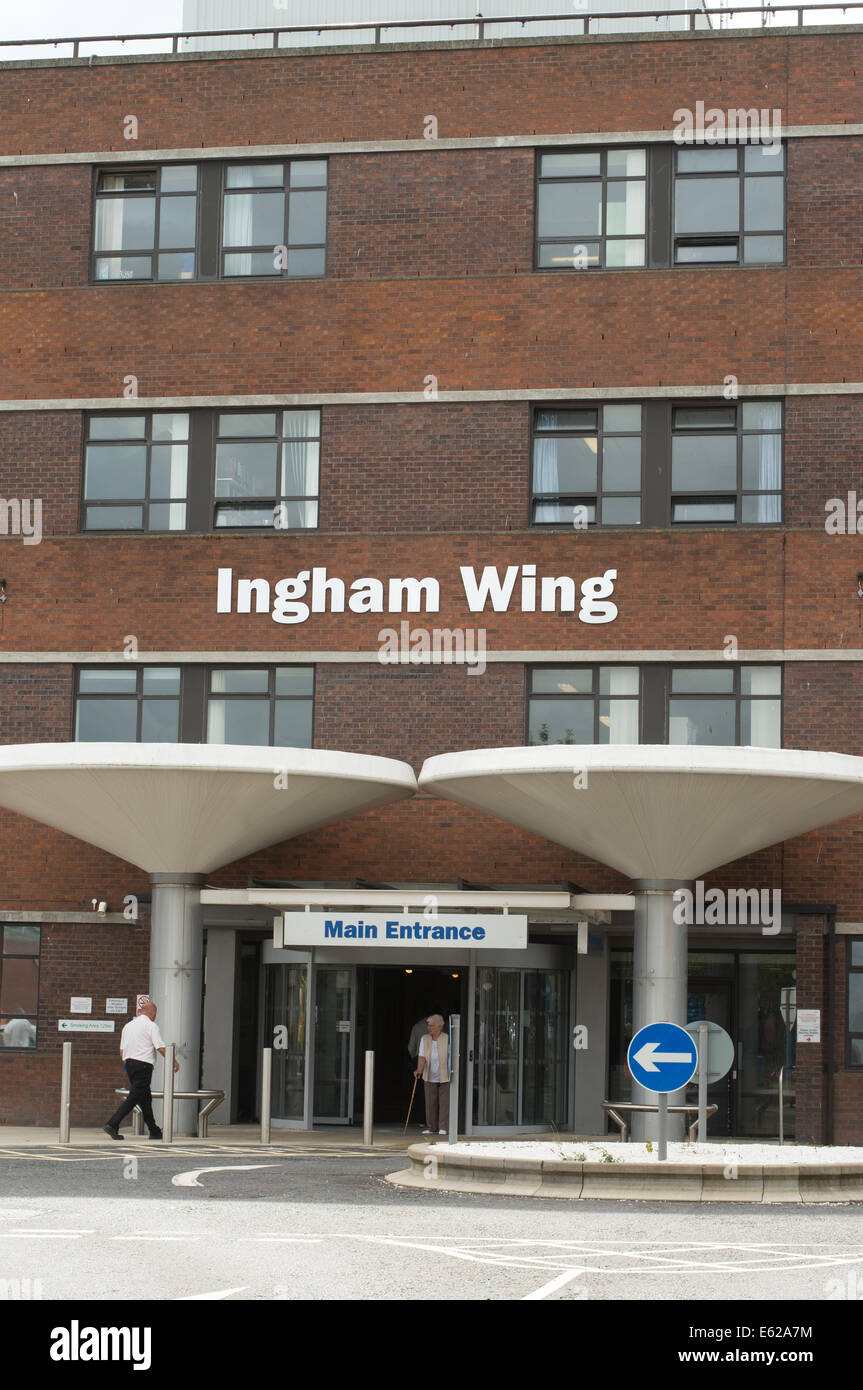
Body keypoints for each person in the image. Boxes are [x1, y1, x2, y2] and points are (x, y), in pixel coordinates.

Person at [103, 1001, 179, 1142]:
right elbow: (160, 1047)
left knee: (145, 1098)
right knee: (134, 1097)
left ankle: (154, 1130)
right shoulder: (151, 1026)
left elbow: (121, 1050)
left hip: (130, 1064)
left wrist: (129, 1063)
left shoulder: (128, 1026)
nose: (155, 1016)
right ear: (152, 1012)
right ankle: (112, 1123)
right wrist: (174, 1061)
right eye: (155, 1014)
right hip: (143, 1065)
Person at [414, 1014, 450, 1135]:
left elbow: (452, 1056)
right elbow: (421, 1056)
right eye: (428, 1025)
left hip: (444, 1075)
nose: (429, 1028)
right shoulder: (425, 1039)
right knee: (430, 1102)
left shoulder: (447, 1038)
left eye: (431, 1025)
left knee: (444, 1102)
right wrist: (419, 1070)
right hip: (429, 1074)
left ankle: (443, 1127)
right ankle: (431, 1127)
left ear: (440, 1026)